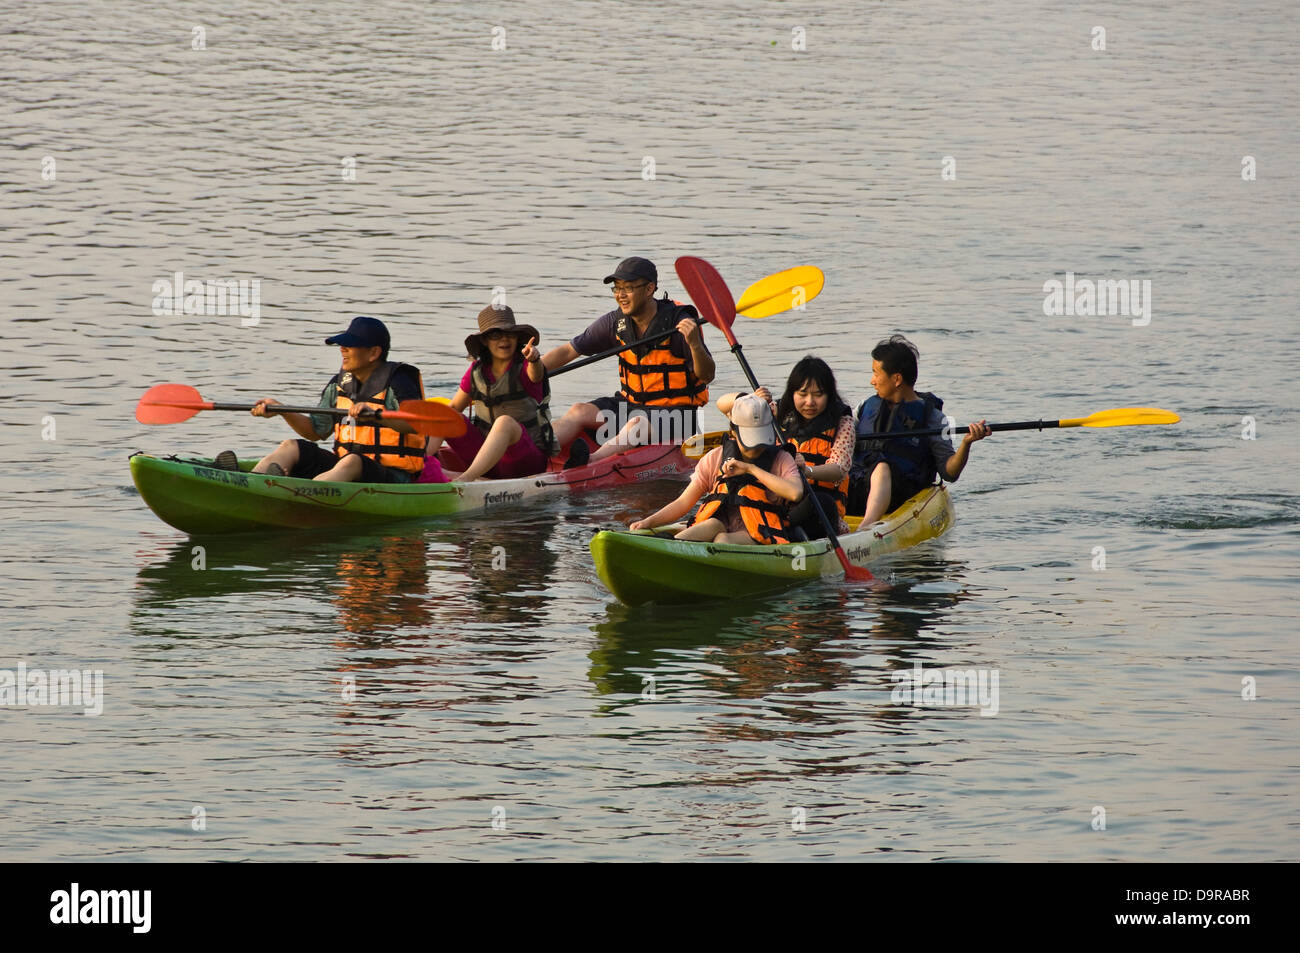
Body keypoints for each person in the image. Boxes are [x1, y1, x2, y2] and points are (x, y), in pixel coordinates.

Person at [542, 257, 715, 467]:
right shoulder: (615, 323)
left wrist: (695, 344)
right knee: (579, 410)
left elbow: (707, 376)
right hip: (630, 406)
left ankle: (588, 463)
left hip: (677, 417)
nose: (620, 295)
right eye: (617, 289)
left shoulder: (679, 324)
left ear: (650, 288)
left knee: (636, 425)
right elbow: (569, 351)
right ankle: (536, 454)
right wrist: (526, 371)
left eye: (629, 288)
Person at [234, 316, 426, 483]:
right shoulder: (340, 384)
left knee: (352, 461)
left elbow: (416, 424)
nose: (342, 349)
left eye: (351, 345)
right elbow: (316, 430)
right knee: (291, 446)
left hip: (394, 476)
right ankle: (250, 481)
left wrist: (377, 416)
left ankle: (300, 492)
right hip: (344, 468)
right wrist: (282, 410)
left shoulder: (399, 382)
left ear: (374, 353)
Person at [849, 335, 990, 524]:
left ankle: (866, 529)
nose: (872, 381)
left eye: (876, 373)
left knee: (882, 467)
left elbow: (950, 473)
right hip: (859, 484)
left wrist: (966, 443)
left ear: (897, 379)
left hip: (899, 492)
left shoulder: (932, 418)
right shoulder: (865, 407)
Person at [629, 393, 803, 545]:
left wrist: (751, 469)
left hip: (757, 533)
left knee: (723, 539)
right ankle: (670, 547)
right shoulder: (715, 457)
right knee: (713, 525)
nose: (757, 447)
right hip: (719, 525)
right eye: (751, 439)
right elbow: (683, 502)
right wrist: (648, 523)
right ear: (733, 431)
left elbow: (795, 492)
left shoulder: (781, 459)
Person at [421, 305, 556, 482]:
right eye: (495, 335)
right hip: (486, 459)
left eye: (509, 333)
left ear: (517, 338)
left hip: (525, 459)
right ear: (484, 341)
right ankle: (417, 465)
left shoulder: (525, 366)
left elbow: (535, 374)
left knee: (504, 422)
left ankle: (464, 481)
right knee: (446, 413)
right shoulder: (476, 371)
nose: (504, 339)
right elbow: (454, 408)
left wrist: (534, 359)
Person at [752, 355, 854, 539]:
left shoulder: (843, 421)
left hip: (816, 510)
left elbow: (839, 469)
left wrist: (806, 470)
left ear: (829, 395)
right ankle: (776, 528)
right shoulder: (776, 412)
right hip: (777, 505)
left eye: (818, 395)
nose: (810, 402)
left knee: (823, 503)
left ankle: (782, 531)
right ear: (792, 393)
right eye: (802, 394)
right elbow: (727, 407)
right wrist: (754, 401)